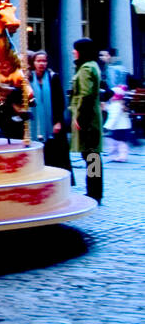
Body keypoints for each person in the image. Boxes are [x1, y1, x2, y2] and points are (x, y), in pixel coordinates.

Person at [70, 39, 105, 204]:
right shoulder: (93, 65)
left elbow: (86, 94)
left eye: (75, 49)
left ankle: (93, 192)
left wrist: (80, 119)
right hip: (93, 117)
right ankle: (95, 190)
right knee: (93, 155)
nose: (73, 52)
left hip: (88, 118)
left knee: (90, 154)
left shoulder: (85, 68)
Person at [30, 50, 71, 180]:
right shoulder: (28, 78)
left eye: (44, 61)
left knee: (55, 151)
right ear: (33, 63)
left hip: (52, 122)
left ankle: (56, 177)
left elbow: (60, 101)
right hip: (34, 122)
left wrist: (58, 121)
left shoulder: (53, 77)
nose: (41, 64)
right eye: (38, 61)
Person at [105, 81, 132, 162]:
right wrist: (106, 107)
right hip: (124, 127)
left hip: (119, 127)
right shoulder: (119, 104)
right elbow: (111, 110)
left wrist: (107, 126)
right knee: (121, 142)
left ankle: (121, 156)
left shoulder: (115, 105)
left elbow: (113, 117)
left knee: (119, 142)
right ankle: (120, 155)